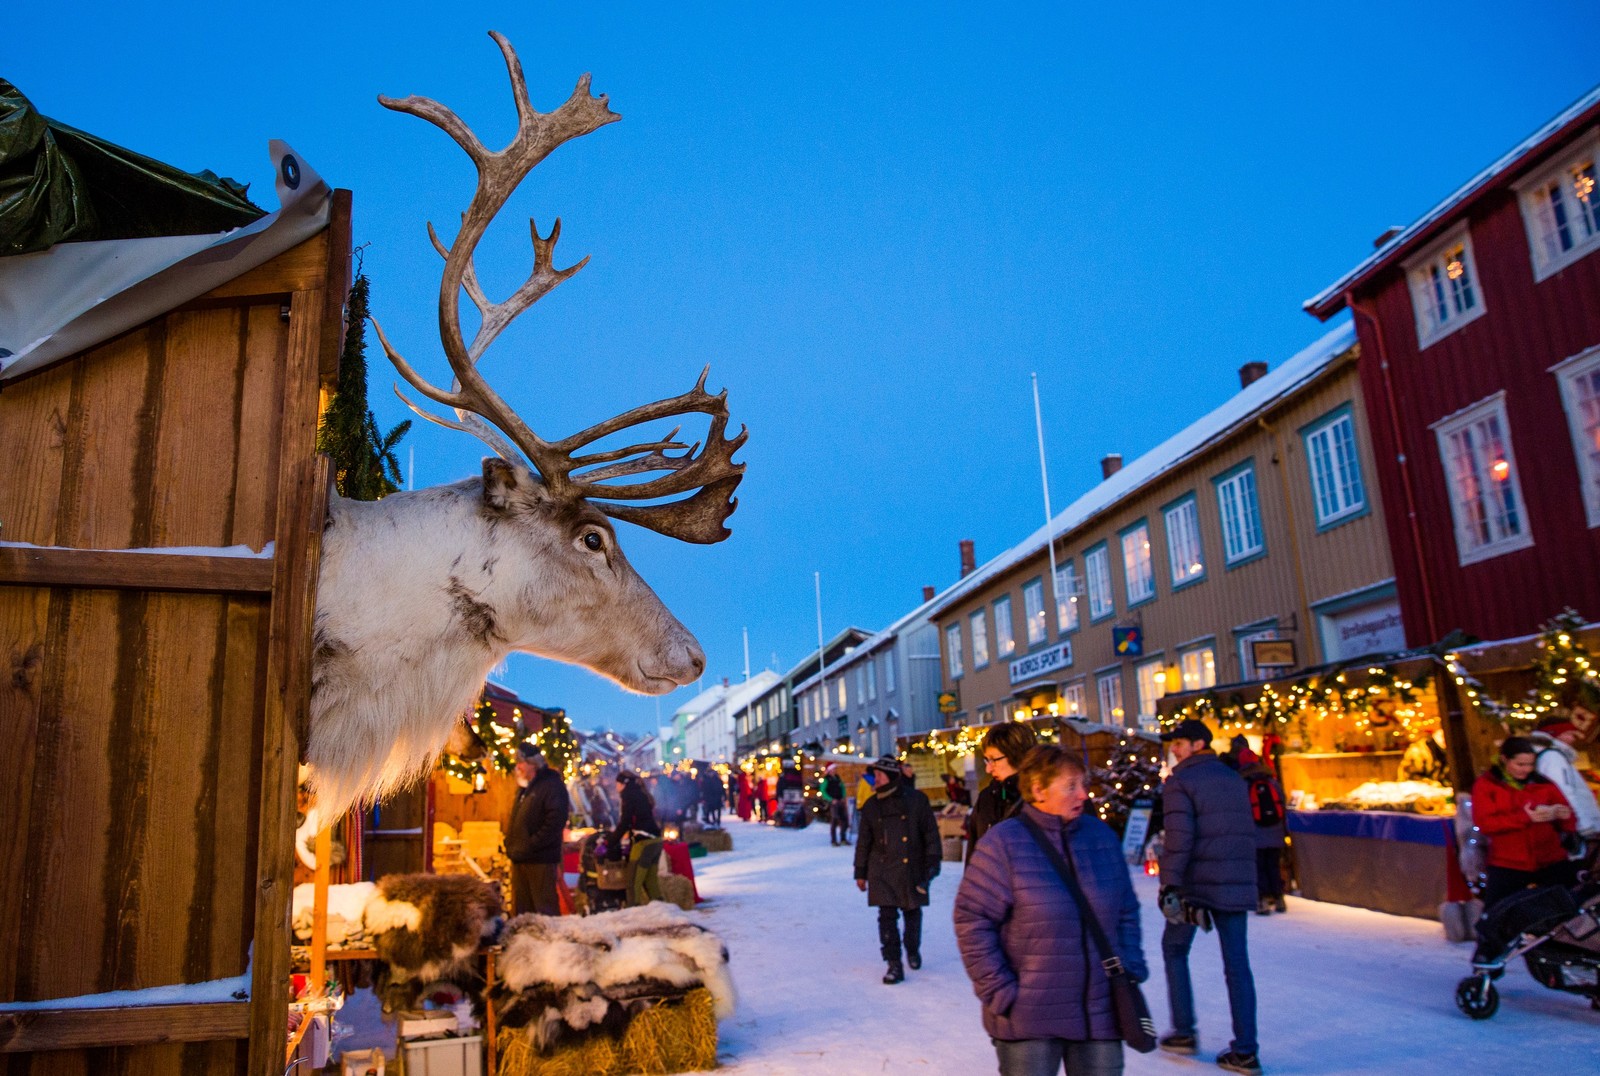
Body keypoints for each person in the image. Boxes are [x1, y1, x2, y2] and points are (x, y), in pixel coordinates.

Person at [954, 746, 1147, 1076]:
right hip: (1029, 1018)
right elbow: (972, 919)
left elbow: (1126, 910)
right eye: (1071, 785)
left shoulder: (1100, 838)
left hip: (1098, 1013)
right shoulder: (1004, 843)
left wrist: (1128, 965)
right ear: (1039, 790)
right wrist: (1001, 992)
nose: (1084, 794)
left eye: (1082, 783)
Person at [1157, 719, 1262, 1075]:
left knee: (1174, 949)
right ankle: (1245, 1050)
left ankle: (1184, 1031)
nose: (1174, 748)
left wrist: (1169, 885)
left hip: (1196, 884)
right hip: (1234, 879)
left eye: (1181, 742)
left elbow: (1179, 839)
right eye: (1173, 742)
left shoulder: (1180, 782)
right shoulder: (1233, 778)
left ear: (1199, 744)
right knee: (1237, 965)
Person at [854, 755, 941, 984]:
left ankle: (912, 949)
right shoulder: (872, 806)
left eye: (879, 775)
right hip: (881, 869)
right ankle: (893, 963)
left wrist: (932, 860)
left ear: (891, 776)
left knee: (912, 912)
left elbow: (930, 833)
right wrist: (860, 872)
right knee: (886, 917)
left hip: (911, 865)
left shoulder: (916, 800)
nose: (875, 780)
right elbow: (864, 841)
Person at [1471, 736, 1577, 912]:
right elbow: (1485, 823)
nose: (1526, 770)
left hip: (1550, 858)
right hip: (1508, 863)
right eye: (1520, 764)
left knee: (1565, 909)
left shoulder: (1543, 784)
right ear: (1505, 759)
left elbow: (1568, 815)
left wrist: (1563, 815)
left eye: (1530, 764)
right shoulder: (1487, 785)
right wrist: (1524, 817)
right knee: (1498, 913)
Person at [505, 744, 570, 917]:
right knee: (523, 911)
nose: (517, 767)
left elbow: (555, 822)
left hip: (540, 860)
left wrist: (531, 844)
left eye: (521, 762)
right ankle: (525, 943)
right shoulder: (525, 789)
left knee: (544, 910)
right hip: (521, 858)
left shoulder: (551, 786)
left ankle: (551, 943)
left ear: (533, 764)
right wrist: (511, 844)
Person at [966, 722, 1038, 864]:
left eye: (994, 760)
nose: (988, 769)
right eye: (987, 760)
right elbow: (973, 860)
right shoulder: (986, 798)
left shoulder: (1046, 798)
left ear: (1019, 756)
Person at [1529, 718, 1600, 851]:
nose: (1573, 739)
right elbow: (1565, 791)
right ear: (1556, 734)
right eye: (1570, 734)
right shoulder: (1553, 757)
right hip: (1572, 825)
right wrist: (1584, 825)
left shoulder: (1551, 755)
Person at [1237, 755, 1287, 915]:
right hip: (1275, 831)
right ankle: (1279, 898)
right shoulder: (1272, 782)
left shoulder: (1244, 784)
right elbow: (1282, 803)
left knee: (1259, 867)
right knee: (1273, 865)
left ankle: (1262, 900)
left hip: (1255, 833)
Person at [822, 764, 851, 845]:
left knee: (844, 820)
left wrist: (843, 796)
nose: (835, 770)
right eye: (833, 769)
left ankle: (843, 838)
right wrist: (830, 799)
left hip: (840, 800)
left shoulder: (838, 778)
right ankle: (834, 840)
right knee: (834, 820)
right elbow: (823, 791)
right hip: (833, 802)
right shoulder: (826, 779)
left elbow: (842, 788)